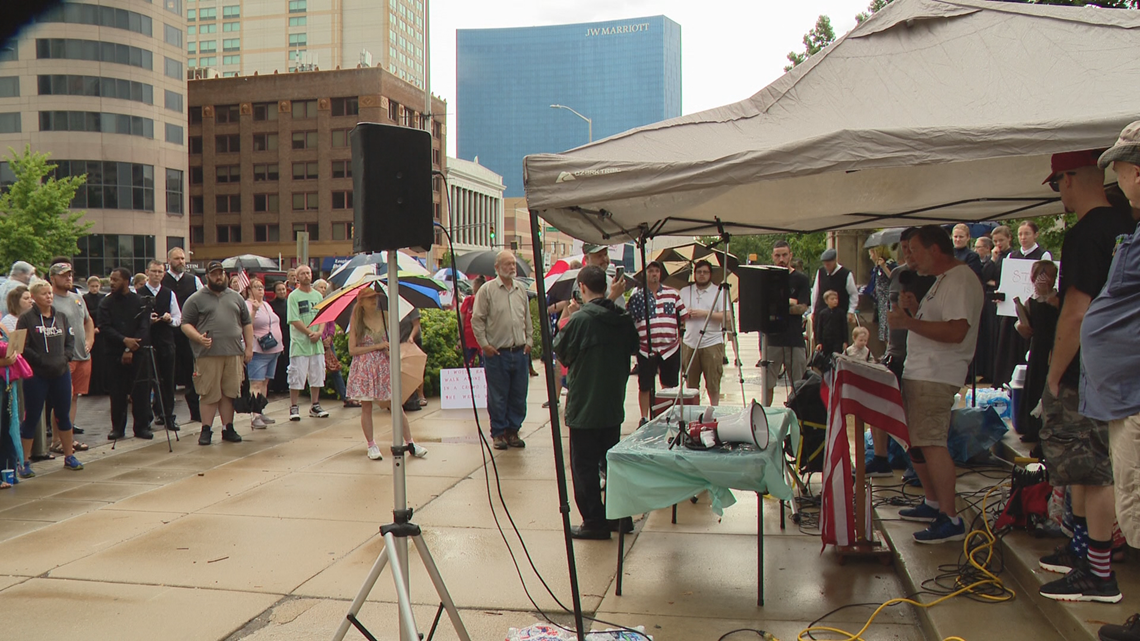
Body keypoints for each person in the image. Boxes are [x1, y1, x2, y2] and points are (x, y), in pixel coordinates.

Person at [1036, 150, 1135, 604]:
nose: (1060, 193)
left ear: (1071, 178)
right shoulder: (1127, 224)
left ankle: (1096, 571)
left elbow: (1078, 310)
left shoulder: (1085, 234)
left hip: (1091, 371)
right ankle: (1084, 555)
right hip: (1121, 368)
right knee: (1091, 468)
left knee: (1092, 471)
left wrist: (1054, 376)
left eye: (1058, 184)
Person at [886, 225, 983, 544]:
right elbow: (940, 324)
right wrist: (914, 311)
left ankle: (950, 517)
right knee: (918, 441)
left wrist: (909, 321)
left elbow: (956, 332)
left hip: (936, 374)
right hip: (921, 371)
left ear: (935, 249)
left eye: (914, 249)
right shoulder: (943, 280)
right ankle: (932, 503)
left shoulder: (960, 279)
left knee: (932, 443)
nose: (908, 257)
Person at [1081, 124, 1140, 638]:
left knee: (1139, 504)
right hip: (1127, 396)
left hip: (1138, 398)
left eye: (1119, 169)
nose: (1116, 180)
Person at [553, 266, 640, 540]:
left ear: (581, 286)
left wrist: (569, 313)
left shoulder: (580, 320)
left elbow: (562, 353)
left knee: (585, 466)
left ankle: (594, 521)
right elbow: (635, 347)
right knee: (611, 462)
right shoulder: (623, 318)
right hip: (612, 402)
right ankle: (619, 515)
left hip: (585, 405)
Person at [872, 228, 936, 478]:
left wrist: (916, 307)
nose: (908, 253)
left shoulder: (932, 278)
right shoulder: (898, 274)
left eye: (913, 248)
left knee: (912, 413)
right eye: (904, 248)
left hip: (919, 355)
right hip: (893, 351)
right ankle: (880, 457)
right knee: (878, 403)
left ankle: (915, 464)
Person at [345, 286, 427, 460]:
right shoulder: (356, 320)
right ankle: (371, 445)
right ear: (361, 302)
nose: (374, 301)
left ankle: (410, 442)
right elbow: (352, 349)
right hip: (365, 367)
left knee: (396, 405)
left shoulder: (385, 315)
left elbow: (392, 340)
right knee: (366, 406)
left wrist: (391, 351)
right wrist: (377, 347)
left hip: (384, 365)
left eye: (375, 298)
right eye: (369, 298)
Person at [181, 261, 253, 446]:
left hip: (234, 353)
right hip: (208, 354)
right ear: (207, 276)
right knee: (209, 393)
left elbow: (247, 323)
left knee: (230, 392)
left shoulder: (236, 298)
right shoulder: (196, 299)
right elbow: (185, 324)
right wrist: (198, 338)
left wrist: (249, 348)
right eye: (214, 274)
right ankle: (206, 430)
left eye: (221, 273)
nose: (219, 277)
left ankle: (228, 428)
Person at [17, 281, 82, 476]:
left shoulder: (60, 317)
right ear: (34, 297)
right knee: (32, 416)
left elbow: (70, 342)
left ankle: (69, 456)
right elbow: (22, 346)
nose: (49, 297)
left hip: (60, 372)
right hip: (37, 375)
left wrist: (65, 358)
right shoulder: (26, 319)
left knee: (63, 414)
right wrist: (39, 360)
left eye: (50, 293)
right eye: (44, 294)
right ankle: (24, 461)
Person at [471, 250, 533, 450]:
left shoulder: (520, 289)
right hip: (497, 354)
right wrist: (484, 345)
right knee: (498, 395)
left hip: (520, 351)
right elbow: (477, 320)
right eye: (507, 264)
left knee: (518, 394)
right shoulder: (487, 290)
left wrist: (530, 341)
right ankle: (498, 433)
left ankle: (513, 431)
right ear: (497, 268)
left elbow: (527, 318)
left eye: (513, 264)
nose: (512, 268)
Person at [628, 260, 688, 424]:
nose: (654, 274)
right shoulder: (637, 296)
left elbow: (683, 317)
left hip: (670, 347)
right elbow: (631, 319)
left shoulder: (672, 294)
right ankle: (644, 417)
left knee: (670, 384)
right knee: (645, 385)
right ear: (645, 274)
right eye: (650, 271)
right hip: (646, 348)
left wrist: (680, 338)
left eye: (656, 271)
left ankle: (668, 414)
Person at [98, 267, 154, 441]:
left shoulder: (139, 302)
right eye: (111, 279)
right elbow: (105, 327)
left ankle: (141, 427)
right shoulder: (106, 303)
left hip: (138, 352)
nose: (112, 283)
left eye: (116, 280)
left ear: (126, 281)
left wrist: (131, 347)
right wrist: (123, 341)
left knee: (141, 391)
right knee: (117, 392)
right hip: (113, 352)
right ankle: (118, 428)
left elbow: (144, 326)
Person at [46, 261, 93, 450]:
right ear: (53, 278)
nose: (68, 278)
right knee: (62, 398)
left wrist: (90, 340)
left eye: (70, 274)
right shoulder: (50, 301)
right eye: (63, 275)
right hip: (64, 358)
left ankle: (68, 438)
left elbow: (88, 321)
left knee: (74, 398)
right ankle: (57, 440)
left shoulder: (77, 298)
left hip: (82, 356)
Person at [1013, 260, 1059, 444]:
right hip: (1037, 348)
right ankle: (1032, 427)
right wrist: (1020, 325)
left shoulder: (1058, 299)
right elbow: (1026, 324)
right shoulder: (1031, 301)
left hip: (1053, 347)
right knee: (1034, 385)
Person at [761, 241, 811, 406]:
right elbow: (762, 307)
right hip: (772, 340)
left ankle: (797, 420)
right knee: (767, 385)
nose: (781, 258)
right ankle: (765, 418)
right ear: (772, 257)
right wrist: (789, 302)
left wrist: (778, 305)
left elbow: (802, 307)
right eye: (777, 255)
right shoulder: (766, 278)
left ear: (790, 255)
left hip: (794, 340)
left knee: (799, 385)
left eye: (784, 255)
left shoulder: (801, 279)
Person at [138, 260, 181, 432]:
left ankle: (168, 416)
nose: (157, 274)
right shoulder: (138, 293)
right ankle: (146, 418)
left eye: (160, 272)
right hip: (146, 342)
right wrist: (148, 320)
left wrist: (170, 319)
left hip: (165, 340)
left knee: (168, 381)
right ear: (147, 272)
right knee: (146, 381)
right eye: (154, 271)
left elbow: (179, 318)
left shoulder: (169, 293)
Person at [162, 247, 203, 424]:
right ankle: (165, 415)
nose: (181, 262)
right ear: (169, 260)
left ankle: (195, 412)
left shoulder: (194, 281)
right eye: (177, 258)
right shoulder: (162, 280)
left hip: (188, 333)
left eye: (183, 258)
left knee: (190, 374)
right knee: (167, 375)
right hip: (167, 333)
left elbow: (202, 303)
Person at [678, 260, 725, 406]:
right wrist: (686, 315)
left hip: (711, 342)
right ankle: (693, 414)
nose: (702, 275)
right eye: (699, 272)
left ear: (710, 274)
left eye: (705, 272)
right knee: (691, 384)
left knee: (712, 383)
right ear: (694, 274)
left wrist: (705, 313)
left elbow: (726, 316)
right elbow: (677, 315)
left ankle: (714, 411)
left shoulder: (719, 291)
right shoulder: (685, 291)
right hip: (690, 342)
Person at [286, 265, 330, 421]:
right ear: (297, 277)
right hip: (300, 343)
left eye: (308, 273)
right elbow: (293, 319)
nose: (306, 275)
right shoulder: (294, 296)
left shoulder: (318, 296)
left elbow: (323, 316)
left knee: (317, 374)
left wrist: (319, 333)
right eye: (302, 273)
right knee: (296, 375)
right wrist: (309, 332)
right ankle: (294, 406)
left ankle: (315, 405)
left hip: (316, 344)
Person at [245, 278, 282, 429]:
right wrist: (254, 310)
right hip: (258, 350)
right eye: (256, 287)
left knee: (265, 382)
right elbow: (247, 325)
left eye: (261, 287)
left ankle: (261, 410)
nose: (260, 290)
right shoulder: (247, 305)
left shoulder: (266, 304)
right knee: (256, 383)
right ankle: (255, 415)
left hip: (274, 350)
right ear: (249, 290)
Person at [810, 248, 858, 335]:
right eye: (825, 264)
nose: (826, 267)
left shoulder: (846, 274)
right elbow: (815, 292)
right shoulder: (821, 272)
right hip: (821, 314)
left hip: (839, 315)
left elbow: (853, 294)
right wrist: (813, 310)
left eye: (828, 264)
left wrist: (851, 311)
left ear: (835, 261)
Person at [973, 236, 999, 384]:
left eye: (979, 247)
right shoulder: (981, 262)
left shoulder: (995, 260)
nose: (977, 250)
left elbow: (990, 278)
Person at [866, 246, 897, 344]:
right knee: (883, 331)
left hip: (888, 302)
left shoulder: (890, 264)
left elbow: (894, 278)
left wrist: (884, 266)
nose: (871, 257)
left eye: (871, 254)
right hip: (881, 302)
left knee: (889, 330)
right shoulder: (876, 268)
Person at [269, 281, 292, 393]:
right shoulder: (271, 305)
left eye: (283, 289)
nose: (282, 292)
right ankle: (276, 385)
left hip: (288, 334)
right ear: (275, 292)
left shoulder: (289, 303)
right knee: (278, 360)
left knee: (287, 359)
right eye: (279, 290)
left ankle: (286, 384)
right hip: (277, 333)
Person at [460, 275, 485, 366]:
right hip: (471, 338)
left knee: (480, 366)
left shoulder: (486, 301)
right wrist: (460, 338)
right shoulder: (468, 301)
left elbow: (462, 320)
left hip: (481, 339)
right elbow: (462, 320)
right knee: (471, 365)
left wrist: (460, 337)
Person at [814, 291, 847, 356]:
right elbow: (819, 328)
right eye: (832, 299)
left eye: (836, 299)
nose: (835, 301)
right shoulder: (823, 313)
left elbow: (844, 328)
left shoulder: (841, 313)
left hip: (838, 341)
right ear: (826, 301)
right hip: (826, 341)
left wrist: (845, 341)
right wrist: (819, 342)